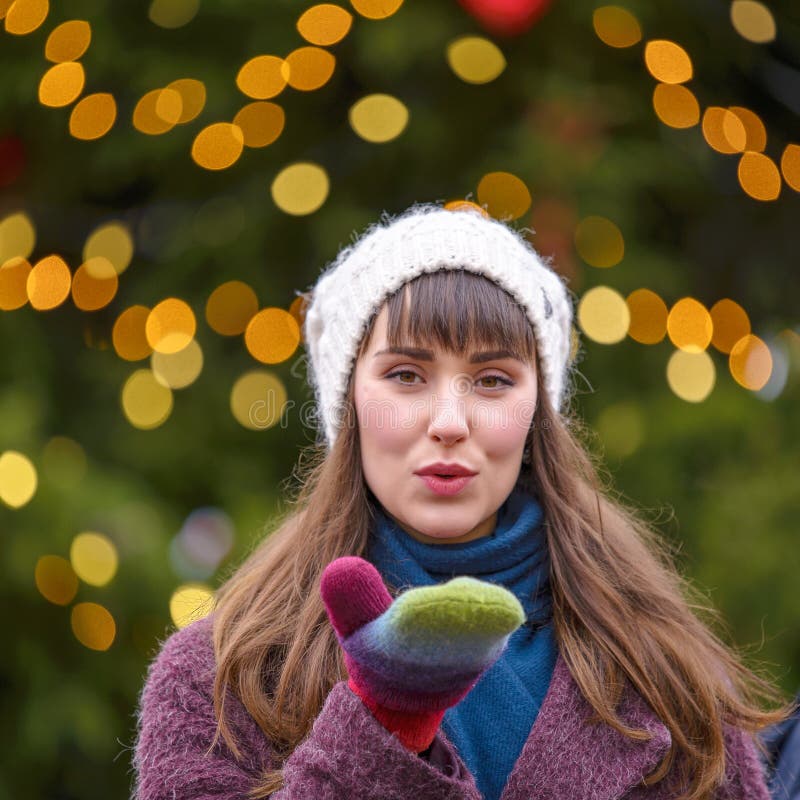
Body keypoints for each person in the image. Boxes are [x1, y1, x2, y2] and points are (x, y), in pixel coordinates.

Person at [132, 201, 795, 800]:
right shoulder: (223, 677)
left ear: (538, 410)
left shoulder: (665, 675)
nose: (450, 420)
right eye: (406, 375)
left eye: (492, 379)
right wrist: (382, 728)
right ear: (349, 403)